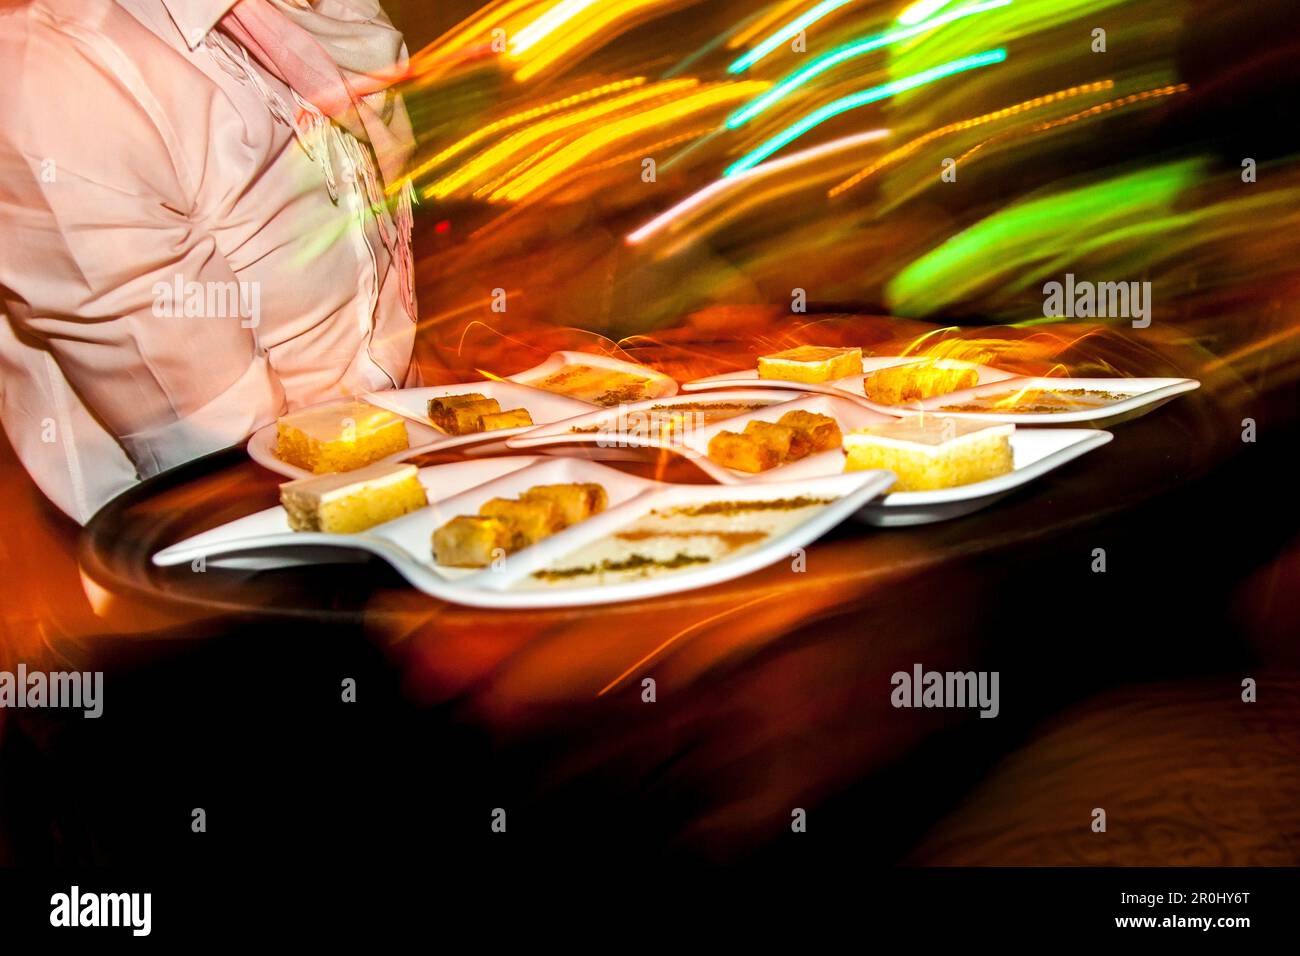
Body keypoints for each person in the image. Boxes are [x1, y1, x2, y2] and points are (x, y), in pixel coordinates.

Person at [0, 0, 420, 523]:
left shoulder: (304, 13)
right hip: (215, 566)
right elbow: (224, 467)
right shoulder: (58, 69)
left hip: (387, 492)